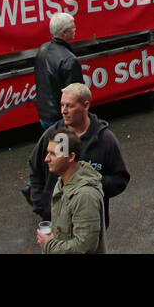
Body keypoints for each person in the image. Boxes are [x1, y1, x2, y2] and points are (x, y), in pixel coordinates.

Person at [26, 82, 129, 226]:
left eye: (69, 106)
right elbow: (35, 169)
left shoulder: (105, 140)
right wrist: (42, 207)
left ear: (86, 106)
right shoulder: (52, 134)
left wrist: (92, 184)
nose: (63, 111)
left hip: (90, 224)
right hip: (56, 222)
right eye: (62, 105)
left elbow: (120, 179)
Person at [38, 126, 106, 254]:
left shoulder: (85, 196)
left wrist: (49, 245)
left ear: (70, 157)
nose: (46, 159)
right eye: (48, 152)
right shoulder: (62, 182)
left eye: (53, 154)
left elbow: (85, 246)